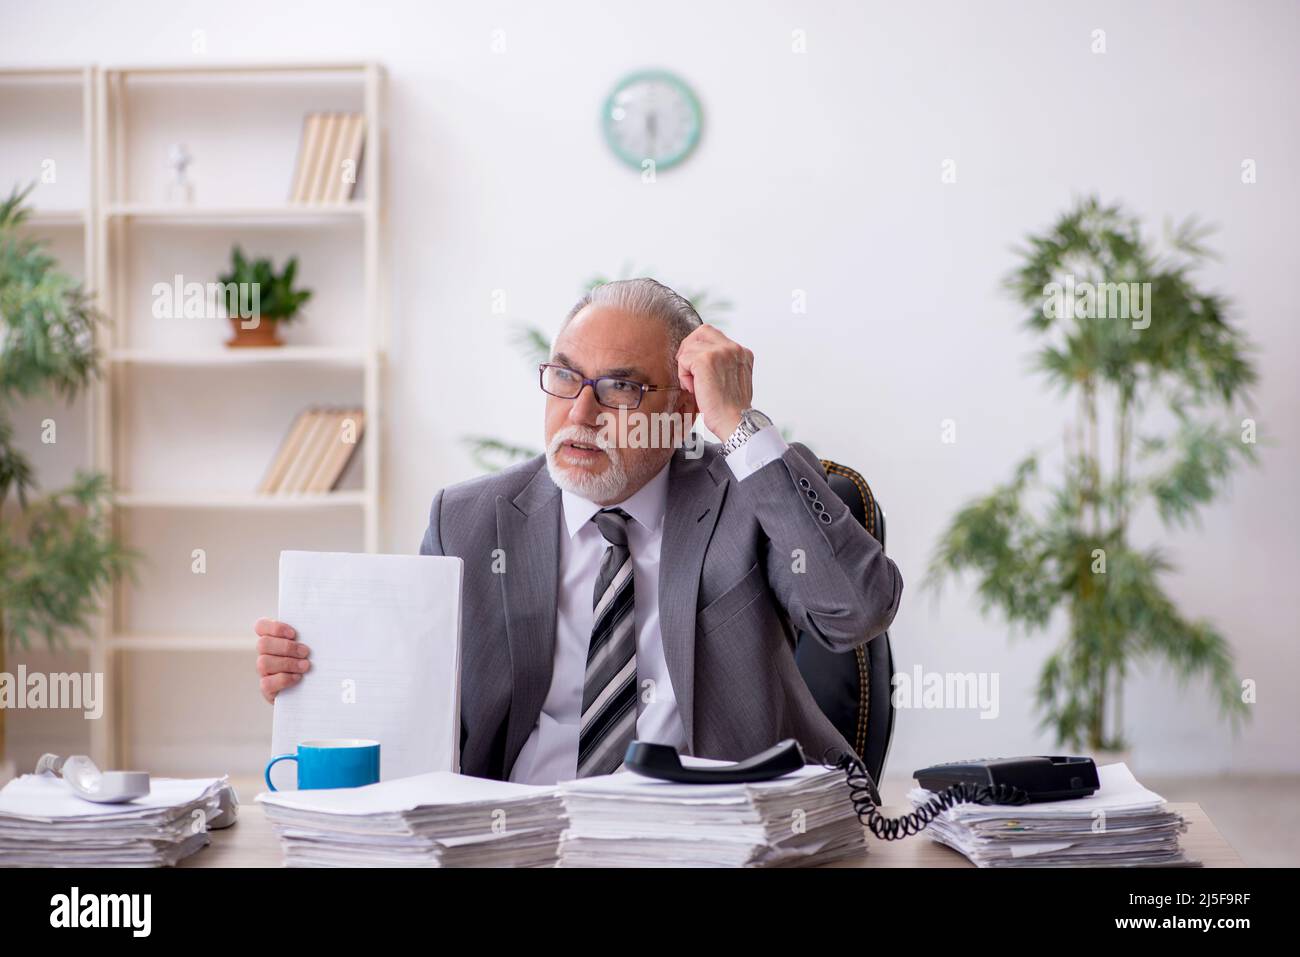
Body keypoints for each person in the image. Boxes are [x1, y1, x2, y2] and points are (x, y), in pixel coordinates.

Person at [255, 278, 903, 784]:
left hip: (710, 836)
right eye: (564, 377)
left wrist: (737, 420)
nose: (580, 412)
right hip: (522, 832)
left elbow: (856, 610)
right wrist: (316, 682)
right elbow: (418, 723)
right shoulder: (470, 519)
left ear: (682, 411)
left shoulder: (744, 494)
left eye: (619, 387)